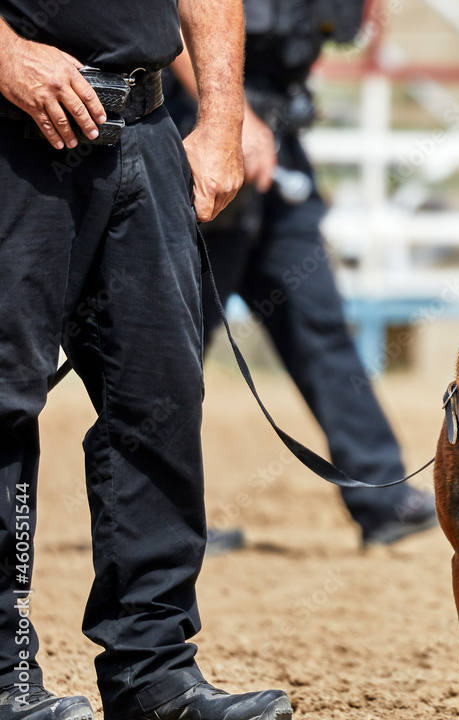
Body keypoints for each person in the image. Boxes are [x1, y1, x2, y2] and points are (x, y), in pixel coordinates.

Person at [0, 1, 292, 720]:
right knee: (2, 403)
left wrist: (222, 118)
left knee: (158, 397)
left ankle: (153, 671)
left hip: (143, 130)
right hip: (13, 132)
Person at [163, 0, 437, 551]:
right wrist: (229, 119)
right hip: (207, 132)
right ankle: (161, 518)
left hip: (276, 142)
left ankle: (381, 496)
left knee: (319, 322)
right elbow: (168, 25)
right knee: (176, 338)